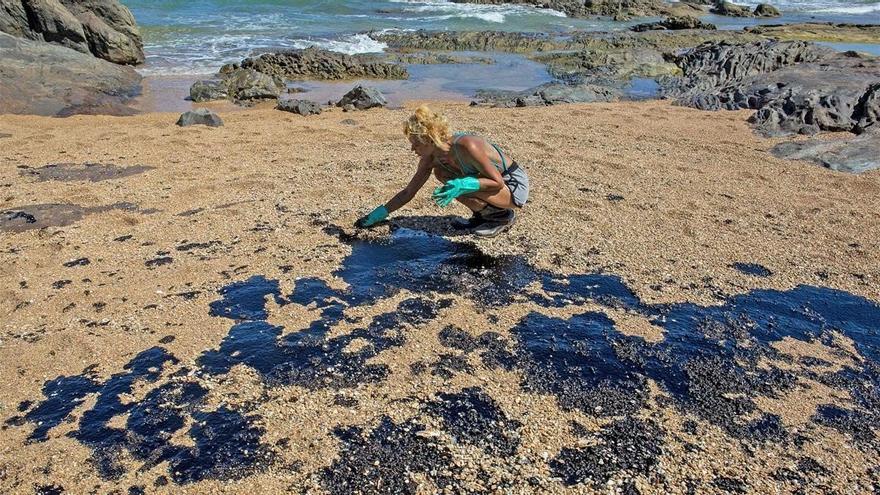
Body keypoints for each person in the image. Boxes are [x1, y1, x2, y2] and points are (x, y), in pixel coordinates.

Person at [355, 105, 529, 237]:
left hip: (512, 186)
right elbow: (408, 192)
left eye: (416, 143)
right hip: (492, 186)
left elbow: (497, 181)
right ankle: (487, 215)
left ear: (430, 139)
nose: (412, 149)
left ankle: (502, 216)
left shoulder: (467, 145)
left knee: (454, 182)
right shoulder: (429, 160)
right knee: (443, 175)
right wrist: (379, 214)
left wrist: (463, 184)